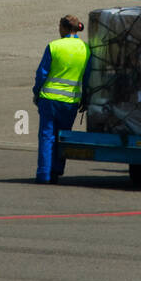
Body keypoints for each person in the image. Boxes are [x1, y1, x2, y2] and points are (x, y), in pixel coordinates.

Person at [32, 14, 90, 184]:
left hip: (49, 99)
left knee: (46, 136)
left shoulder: (54, 46)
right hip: (70, 102)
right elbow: (87, 78)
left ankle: (43, 174)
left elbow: (41, 74)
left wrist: (36, 92)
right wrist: (85, 98)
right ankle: (57, 171)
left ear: (64, 28)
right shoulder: (85, 49)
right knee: (62, 136)